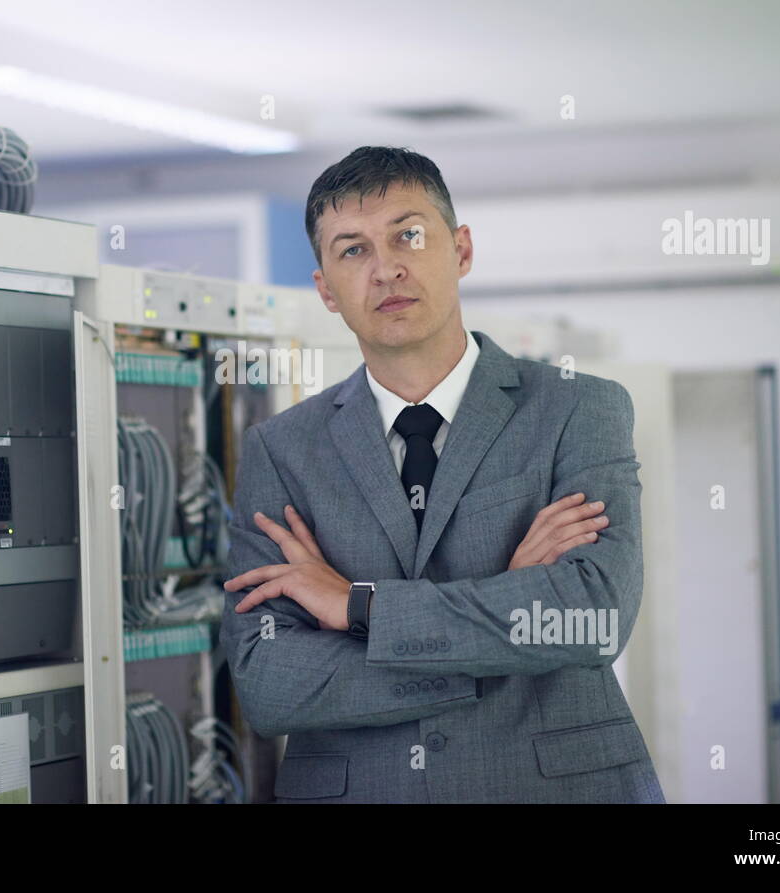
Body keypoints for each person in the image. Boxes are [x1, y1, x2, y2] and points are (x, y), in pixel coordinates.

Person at [219, 146, 665, 803]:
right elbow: (268, 681)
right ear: (325, 290)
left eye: (409, 234)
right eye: (353, 250)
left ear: (460, 250)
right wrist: (506, 613)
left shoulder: (579, 407)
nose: (386, 268)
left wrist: (358, 605)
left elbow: (590, 616)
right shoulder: (283, 450)